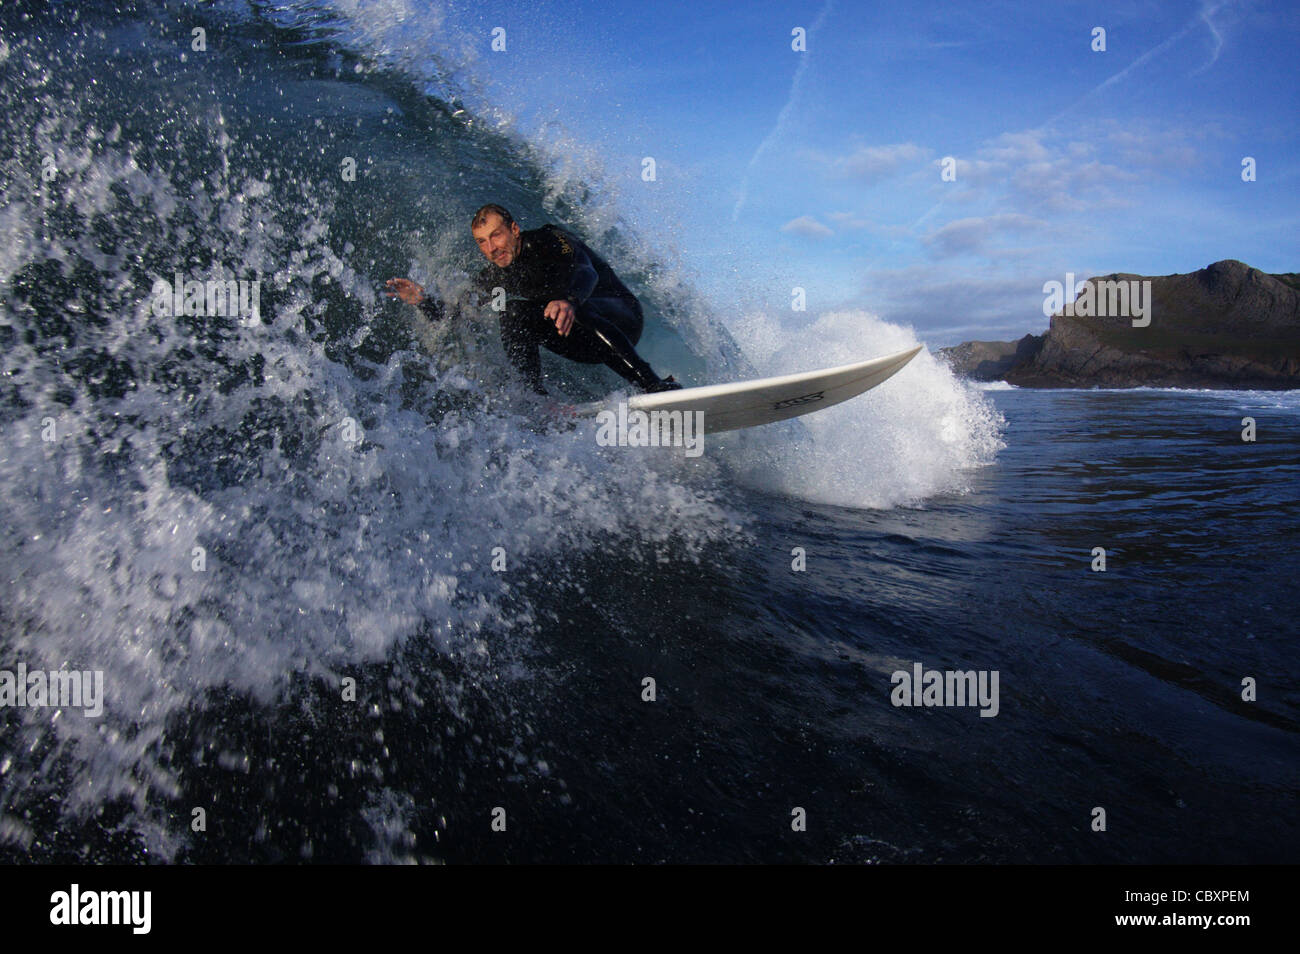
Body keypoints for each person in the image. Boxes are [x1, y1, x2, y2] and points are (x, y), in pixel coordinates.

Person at [386, 204, 682, 396]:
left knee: (571, 308)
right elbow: (457, 314)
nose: (492, 248)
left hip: (620, 317)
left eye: (497, 236)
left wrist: (569, 300)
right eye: (482, 242)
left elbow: (586, 271)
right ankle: (536, 398)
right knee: (512, 312)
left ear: (514, 230)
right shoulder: (497, 275)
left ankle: (653, 384)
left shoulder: (550, 240)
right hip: (585, 341)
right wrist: (423, 301)